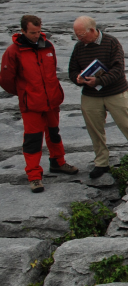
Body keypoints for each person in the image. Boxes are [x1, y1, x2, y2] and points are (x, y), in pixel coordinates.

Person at [68, 16, 128, 179]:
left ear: (93, 30)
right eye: (76, 35)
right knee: (94, 130)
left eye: (81, 34)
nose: (79, 38)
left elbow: (118, 70)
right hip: (91, 95)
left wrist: (99, 80)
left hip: (116, 93)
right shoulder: (79, 47)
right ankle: (101, 162)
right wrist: (78, 79)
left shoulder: (111, 42)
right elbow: (72, 70)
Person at [0, 15, 78, 192]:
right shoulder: (13, 52)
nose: (37, 35)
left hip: (51, 101)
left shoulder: (47, 46)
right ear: (23, 31)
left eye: (39, 31)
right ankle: (34, 176)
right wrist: (24, 93)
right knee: (33, 140)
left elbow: (52, 71)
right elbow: (5, 80)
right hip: (31, 105)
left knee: (54, 133)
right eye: (33, 33)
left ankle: (58, 162)